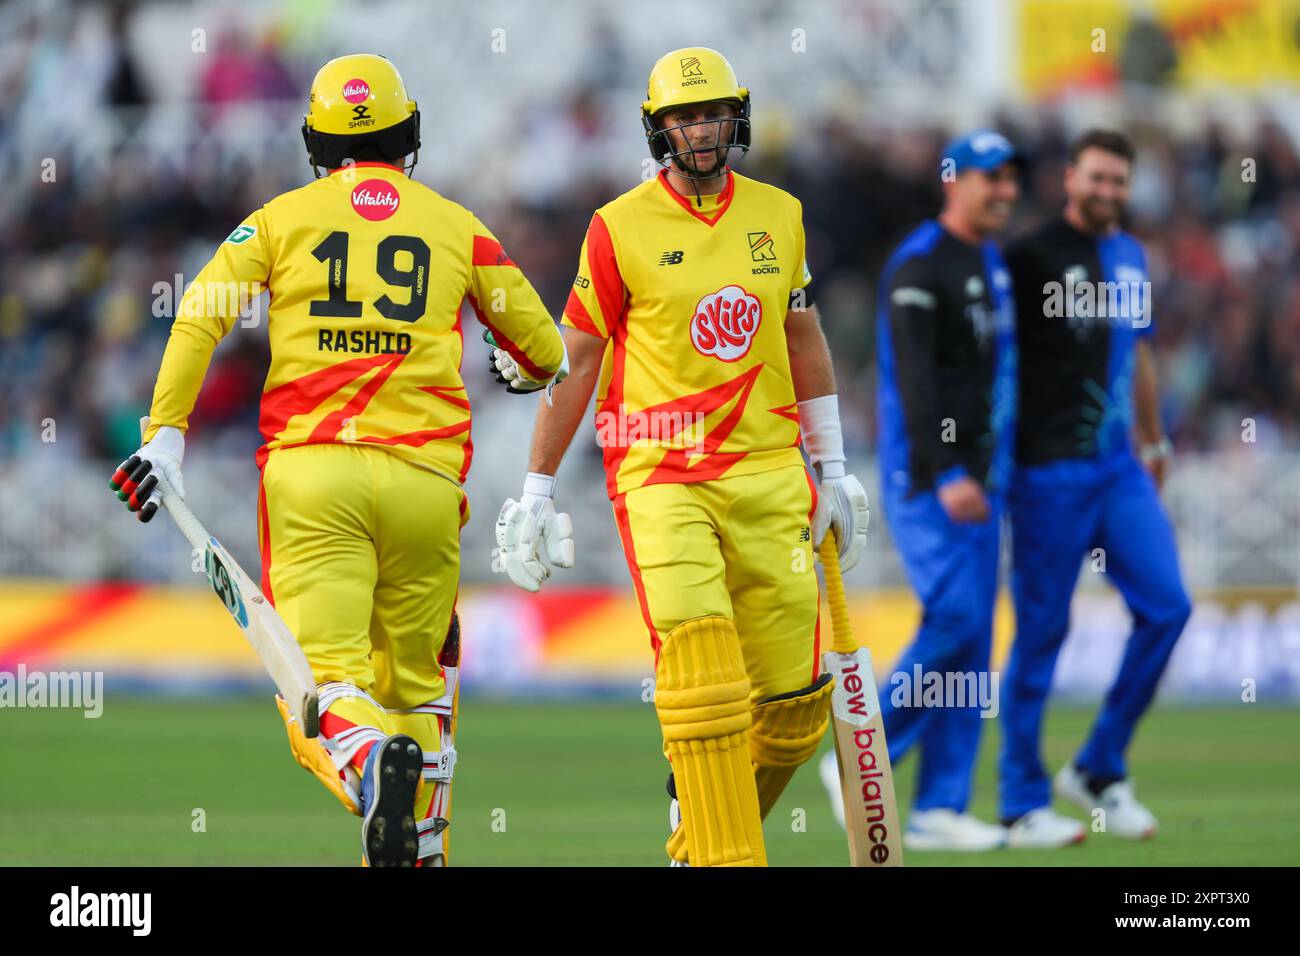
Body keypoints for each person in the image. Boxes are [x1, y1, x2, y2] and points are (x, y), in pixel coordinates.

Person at [109, 53, 567, 866]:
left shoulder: (281, 218)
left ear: (316, 142)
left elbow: (199, 316)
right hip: (426, 485)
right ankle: (417, 842)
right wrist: (517, 368)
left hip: (314, 477)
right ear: (409, 134)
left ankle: (365, 768)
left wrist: (165, 435)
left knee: (319, 692)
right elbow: (543, 350)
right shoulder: (456, 223)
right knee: (420, 695)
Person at [487, 47, 868, 867]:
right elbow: (577, 358)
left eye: (712, 114)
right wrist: (537, 488)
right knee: (703, 679)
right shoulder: (617, 226)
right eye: (683, 118)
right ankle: (726, 853)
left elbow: (803, 339)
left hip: (772, 470)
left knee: (794, 712)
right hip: (659, 472)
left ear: (739, 116)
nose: (701, 130)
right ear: (658, 130)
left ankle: (696, 836)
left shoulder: (781, 213)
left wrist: (833, 468)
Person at [822, 130, 1020, 852]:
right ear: (952, 180)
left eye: (1010, 179)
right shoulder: (921, 262)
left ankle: (940, 802)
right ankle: (858, 760)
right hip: (930, 480)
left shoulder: (989, 261)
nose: (1004, 191)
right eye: (989, 178)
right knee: (957, 618)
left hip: (980, 479)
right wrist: (948, 470)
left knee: (971, 642)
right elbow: (914, 378)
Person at [999, 128, 1190, 846]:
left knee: (1169, 606)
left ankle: (1100, 765)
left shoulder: (1131, 254)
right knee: (1044, 631)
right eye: (1097, 178)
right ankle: (1021, 803)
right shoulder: (1027, 257)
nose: (1108, 192)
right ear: (1070, 177)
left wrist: (1153, 437)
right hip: (1046, 471)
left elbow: (1138, 350)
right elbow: (994, 357)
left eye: (1120, 182)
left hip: (1117, 466)